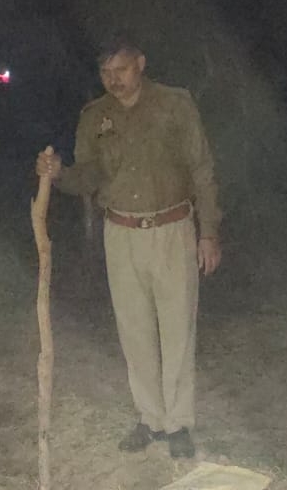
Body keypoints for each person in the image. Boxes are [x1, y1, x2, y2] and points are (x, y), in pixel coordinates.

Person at [35, 34, 223, 459]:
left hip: (173, 229)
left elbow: (202, 169)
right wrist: (60, 173)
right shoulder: (94, 116)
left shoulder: (175, 104)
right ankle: (150, 418)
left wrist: (208, 232)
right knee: (134, 329)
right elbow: (89, 177)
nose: (113, 80)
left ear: (140, 63)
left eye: (120, 70)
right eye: (105, 72)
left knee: (177, 329)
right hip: (119, 233)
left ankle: (179, 423)